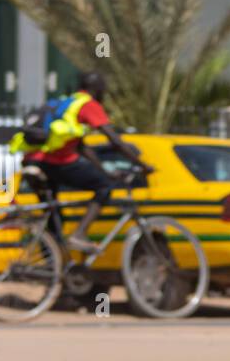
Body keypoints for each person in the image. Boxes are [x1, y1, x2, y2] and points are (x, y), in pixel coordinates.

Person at [21, 72, 146, 252]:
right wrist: (142, 165)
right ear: (97, 89)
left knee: (55, 215)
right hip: (54, 161)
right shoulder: (88, 105)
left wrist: (104, 170)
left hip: (33, 161)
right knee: (104, 187)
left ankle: (52, 267)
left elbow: (81, 147)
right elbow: (115, 140)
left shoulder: (67, 103)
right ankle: (79, 234)